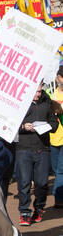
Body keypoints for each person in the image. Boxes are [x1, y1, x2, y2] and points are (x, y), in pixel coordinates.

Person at [13, 83, 58, 225]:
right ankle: (24, 212)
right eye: (35, 92)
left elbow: (54, 124)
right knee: (24, 182)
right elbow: (11, 124)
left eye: (40, 91)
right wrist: (23, 127)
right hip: (24, 148)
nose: (38, 94)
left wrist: (47, 127)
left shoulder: (47, 102)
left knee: (42, 183)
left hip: (43, 148)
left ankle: (39, 208)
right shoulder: (19, 104)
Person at [51, 70, 63, 210]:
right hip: (52, 137)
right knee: (55, 170)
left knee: (60, 170)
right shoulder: (51, 94)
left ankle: (58, 198)